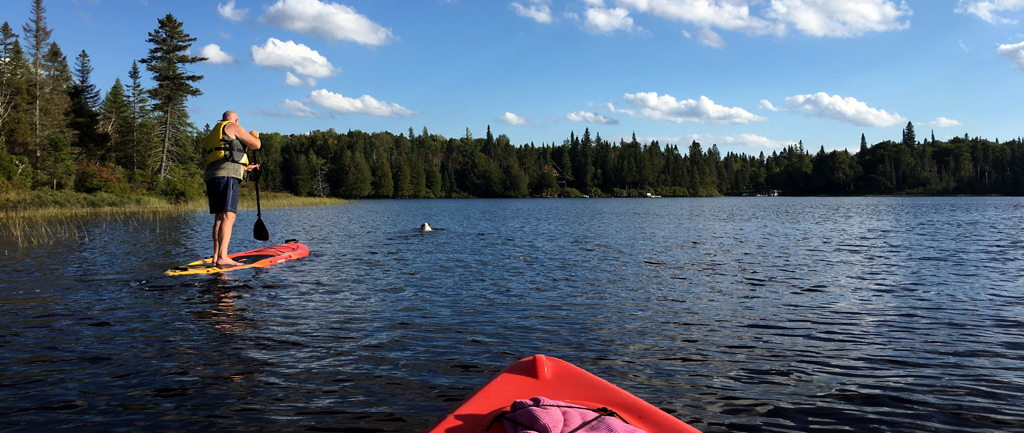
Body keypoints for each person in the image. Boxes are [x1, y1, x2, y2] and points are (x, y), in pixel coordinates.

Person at [205, 110, 261, 267]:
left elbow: (224, 156)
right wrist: (255, 136)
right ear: (236, 120)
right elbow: (256, 145)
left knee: (219, 217)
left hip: (212, 176)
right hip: (227, 176)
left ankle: (216, 256)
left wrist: (245, 167)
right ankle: (223, 256)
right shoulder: (233, 126)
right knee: (229, 216)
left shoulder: (214, 132)